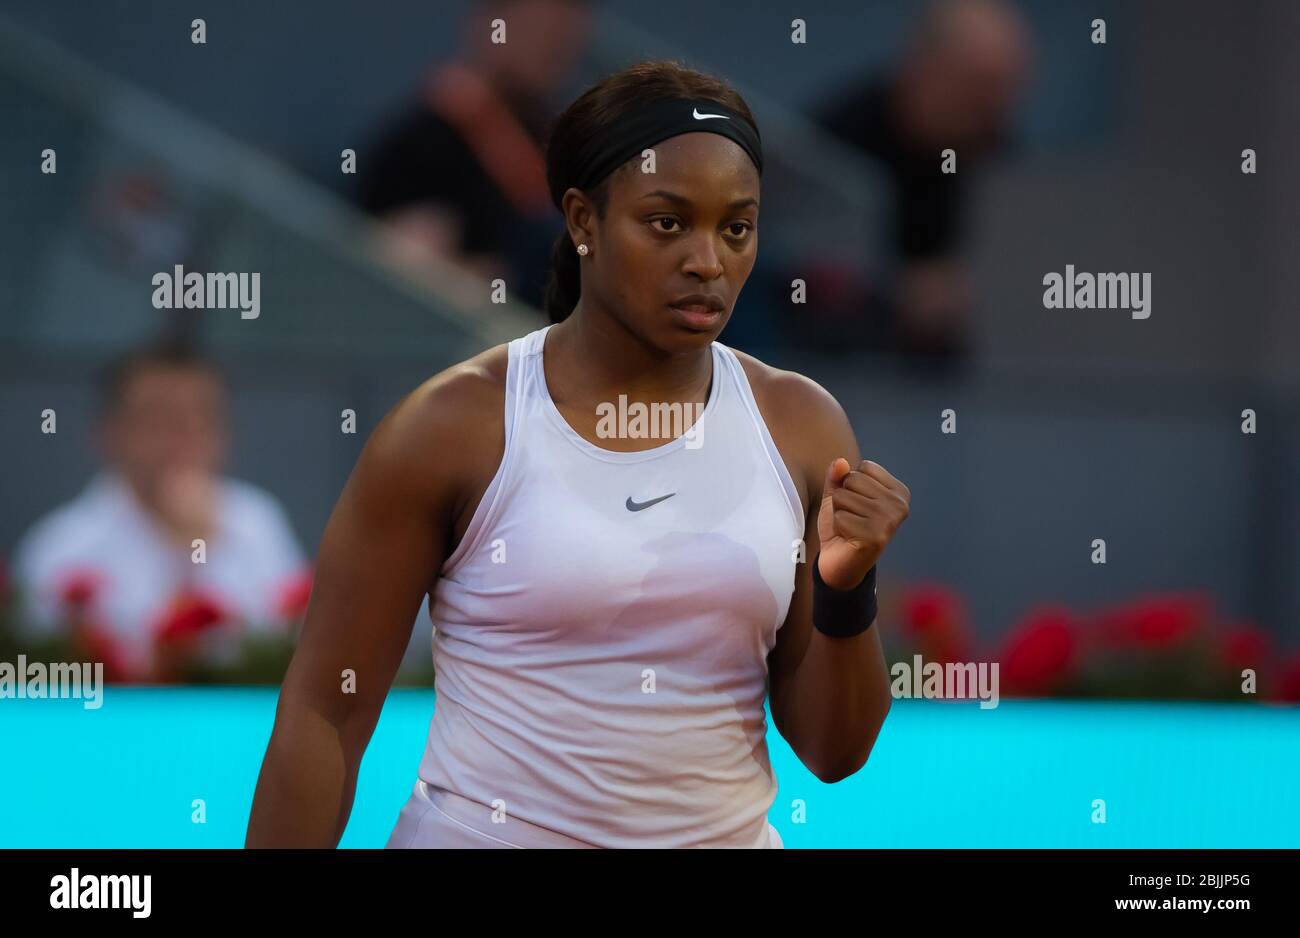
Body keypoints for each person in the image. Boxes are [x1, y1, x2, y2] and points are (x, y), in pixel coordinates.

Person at [247, 60, 909, 849]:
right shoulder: (457, 424)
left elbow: (834, 753)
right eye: (667, 222)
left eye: (737, 227)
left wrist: (846, 589)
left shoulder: (802, 424)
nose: (708, 261)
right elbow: (327, 708)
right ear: (583, 221)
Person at [11, 341, 308, 681]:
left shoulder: (259, 523)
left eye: (200, 417)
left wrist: (193, 552)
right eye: (158, 417)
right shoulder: (60, 546)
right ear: (109, 432)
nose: (181, 436)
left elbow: (287, 651)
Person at [814, 0, 1031, 361]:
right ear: (925, 69)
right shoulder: (835, 149)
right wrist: (898, 293)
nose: (993, 110)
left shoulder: (997, 157)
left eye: (1006, 90)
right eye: (979, 88)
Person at [355, 0, 593, 311]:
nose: (551, 46)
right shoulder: (425, 143)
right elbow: (404, 276)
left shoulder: (560, 139)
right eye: (538, 28)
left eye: (563, 36)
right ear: (488, 22)